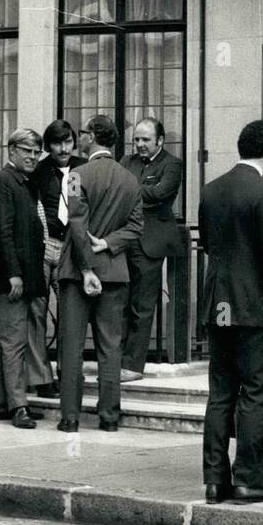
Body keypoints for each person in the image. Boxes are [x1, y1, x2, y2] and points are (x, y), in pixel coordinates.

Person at [198, 120, 263, 504]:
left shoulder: (211, 189)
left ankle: (215, 478)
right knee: (255, 394)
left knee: (220, 393)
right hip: (254, 309)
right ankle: (248, 477)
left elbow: (206, 243)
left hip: (219, 304)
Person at [56, 115, 143, 434]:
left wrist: (85, 268)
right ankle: (109, 416)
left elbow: (77, 224)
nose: (78, 139)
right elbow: (136, 228)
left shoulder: (76, 175)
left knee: (72, 346)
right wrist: (108, 243)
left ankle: (70, 417)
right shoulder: (131, 179)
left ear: (92, 137)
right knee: (111, 347)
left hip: (78, 273)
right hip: (115, 272)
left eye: (82, 134)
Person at [0, 129, 47, 430]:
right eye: (26, 150)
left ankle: (3, 403)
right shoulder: (4, 181)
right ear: (11, 151)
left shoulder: (19, 182)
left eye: (36, 152)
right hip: (9, 277)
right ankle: (19, 406)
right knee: (14, 341)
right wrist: (13, 274)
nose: (32, 156)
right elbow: (1, 232)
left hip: (17, 275)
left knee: (9, 340)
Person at [120, 117, 184, 380]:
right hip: (124, 239)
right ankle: (116, 362)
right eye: (136, 139)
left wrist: (130, 190)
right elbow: (141, 192)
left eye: (145, 139)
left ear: (160, 140)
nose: (140, 144)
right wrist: (144, 190)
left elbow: (161, 194)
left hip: (151, 243)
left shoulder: (172, 164)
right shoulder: (126, 161)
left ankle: (133, 366)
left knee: (142, 306)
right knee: (120, 303)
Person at [28, 119, 85, 396]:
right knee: (36, 314)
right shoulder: (38, 171)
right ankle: (42, 379)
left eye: (67, 142)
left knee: (69, 316)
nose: (63, 148)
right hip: (43, 245)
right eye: (56, 143)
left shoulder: (84, 168)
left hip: (70, 249)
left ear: (74, 142)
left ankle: (69, 375)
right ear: (48, 146)